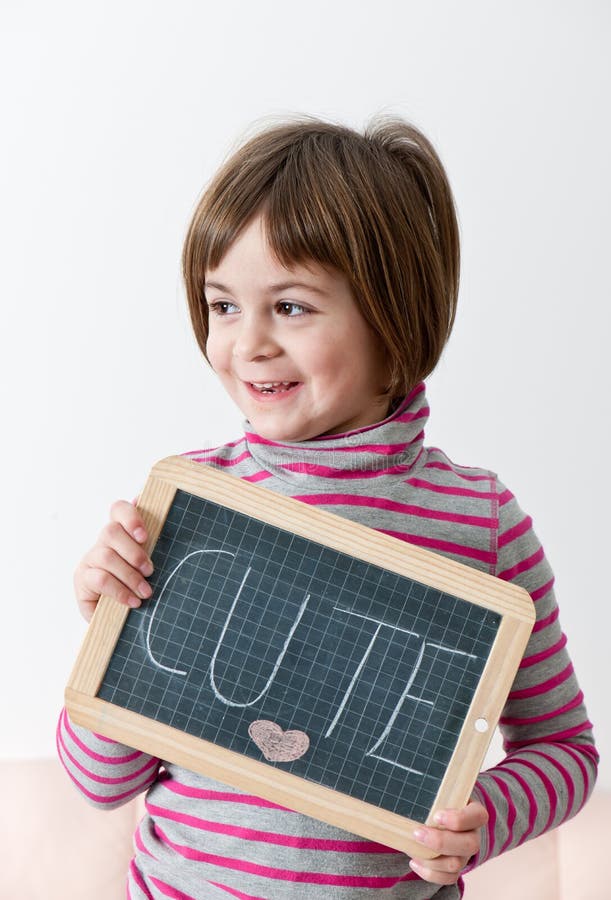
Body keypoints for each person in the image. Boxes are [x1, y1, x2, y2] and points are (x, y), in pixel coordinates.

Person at [57, 116, 598, 899]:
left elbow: (563, 747)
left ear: (391, 311)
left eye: (292, 307)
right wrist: (115, 639)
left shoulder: (479, 520)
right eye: (222, 305)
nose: (247, 346)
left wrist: (483, 814)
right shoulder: (187, 508)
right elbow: (100, 782)